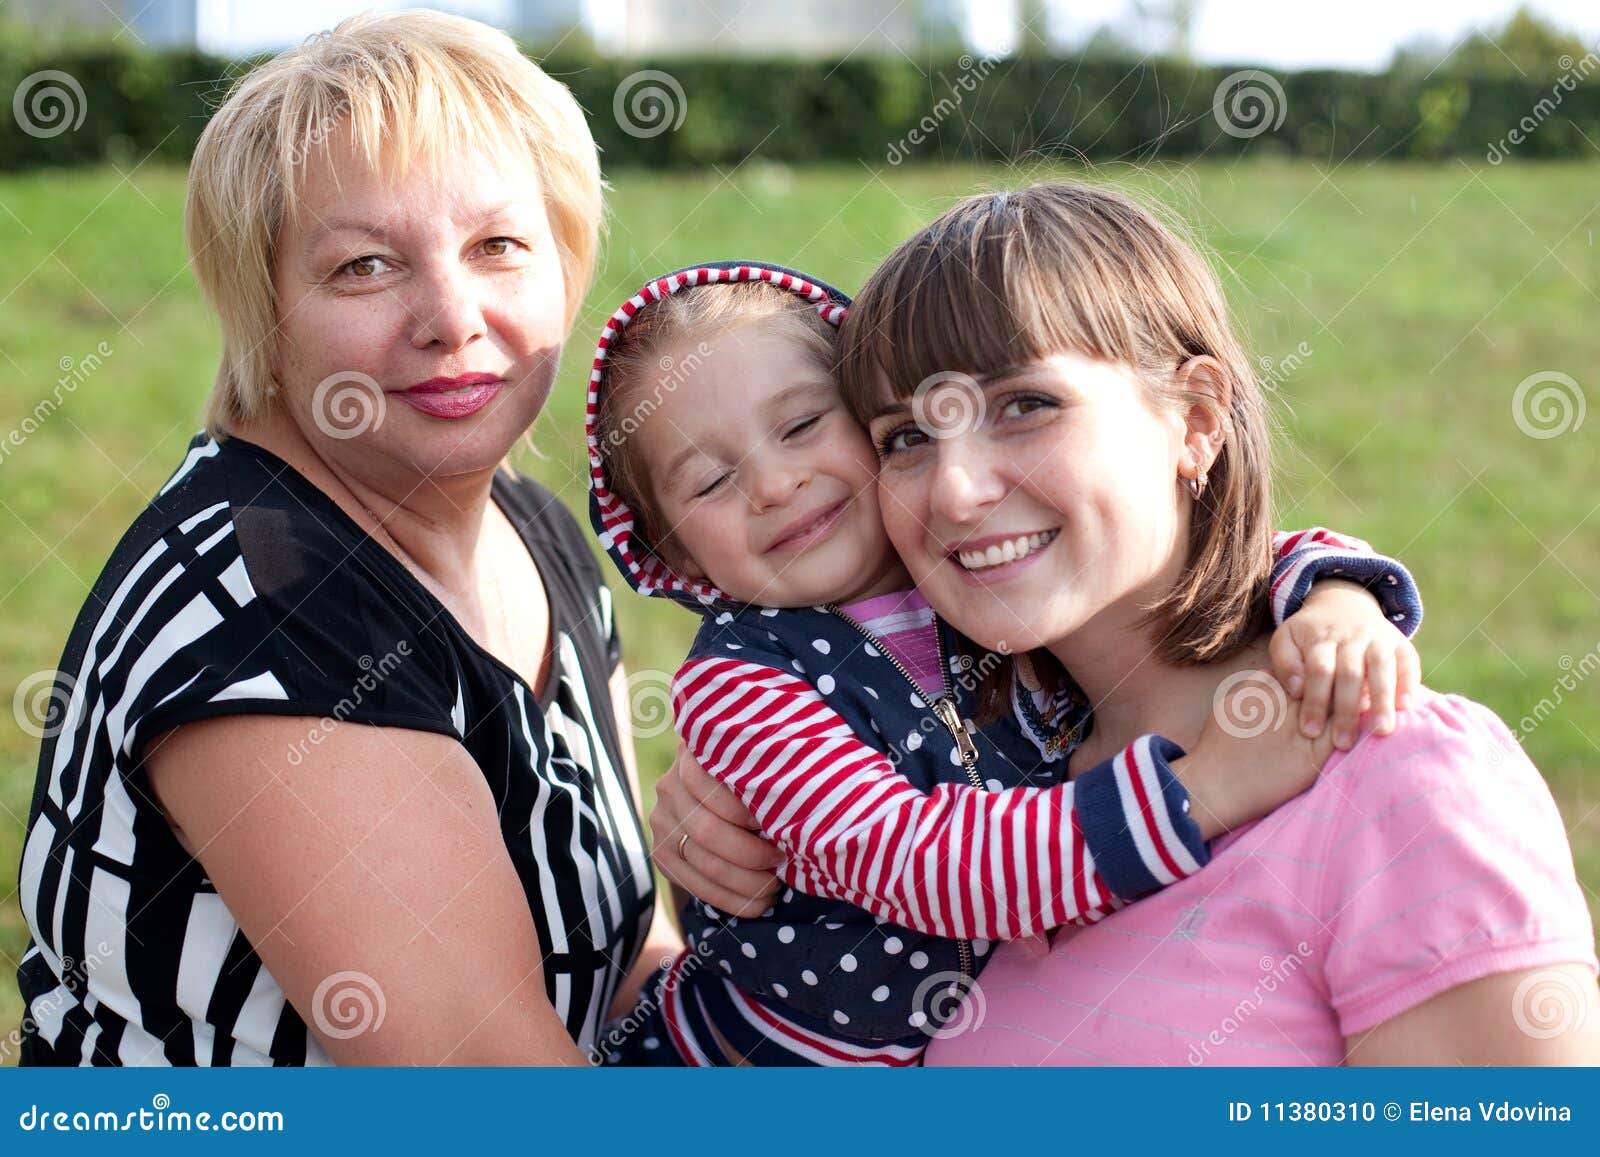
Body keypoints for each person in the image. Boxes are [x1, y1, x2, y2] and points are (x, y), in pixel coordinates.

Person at [15, 11, 675, 1066]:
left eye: (499, 246)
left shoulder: (536, 531)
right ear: (264, 311)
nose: (451, 315)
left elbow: (632, 946)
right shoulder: (261, 598)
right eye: (366, 266)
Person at [824, 182, 1600, 1065]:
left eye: (1025, 404)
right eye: (906, 438)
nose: (955, 490)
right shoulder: (975, 804)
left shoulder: (1397, 770)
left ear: (1194, 420)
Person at [587, 261, 1423, 1064]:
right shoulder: (739, 686)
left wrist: (1336, 597)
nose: (774, 483)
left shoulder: (969, 573)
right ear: (676, 556)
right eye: (710, 481)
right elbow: (916, 861)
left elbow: (1196, 565)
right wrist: (1200, 792)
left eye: (803, 425)